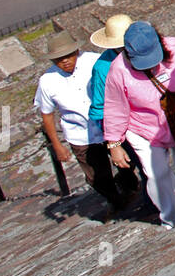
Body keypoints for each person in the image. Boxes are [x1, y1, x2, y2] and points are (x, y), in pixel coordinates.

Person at [103, 21, 175, 229]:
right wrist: (114, 144)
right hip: (143, 128)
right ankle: (169, 216)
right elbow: (115, 108)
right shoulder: (118, 71)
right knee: (156, 173)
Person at [34, 29, 134, 215]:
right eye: (58, 58)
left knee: (127, 161)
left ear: (76, 51)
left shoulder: (95, 61)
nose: (64, 61)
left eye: (68, 55)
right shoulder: (47, 81)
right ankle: (116, 201)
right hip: (80, 134)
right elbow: (46, 114)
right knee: (96, 177)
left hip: (109, 125)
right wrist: (57, 145)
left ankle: (129, 186)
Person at [86, 14, 142, 201]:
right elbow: (100, 108)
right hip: (126, 125)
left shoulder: (142, 49)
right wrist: (114, 144)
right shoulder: (102, 68)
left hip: (149, 116)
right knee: (147, 167)